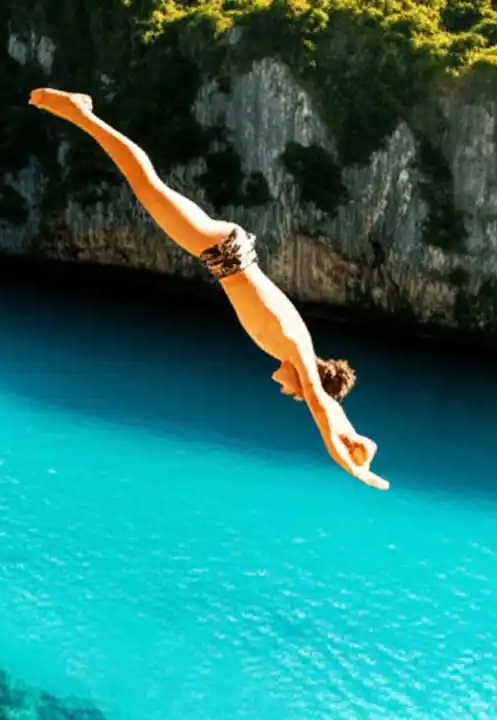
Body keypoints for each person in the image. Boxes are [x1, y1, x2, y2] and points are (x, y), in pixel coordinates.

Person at [29, 88, 388, 491]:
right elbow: (322, 407)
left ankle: (82, 115)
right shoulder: (297, 352)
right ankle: (81, 113)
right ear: (309, 383)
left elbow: (326, 406)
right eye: (295, 393)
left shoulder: (298, 350)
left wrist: (352, 433)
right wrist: (347, 459)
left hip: (227, 253)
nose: (284, 389)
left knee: (148, 188)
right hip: (224, 252)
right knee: (146, 184)